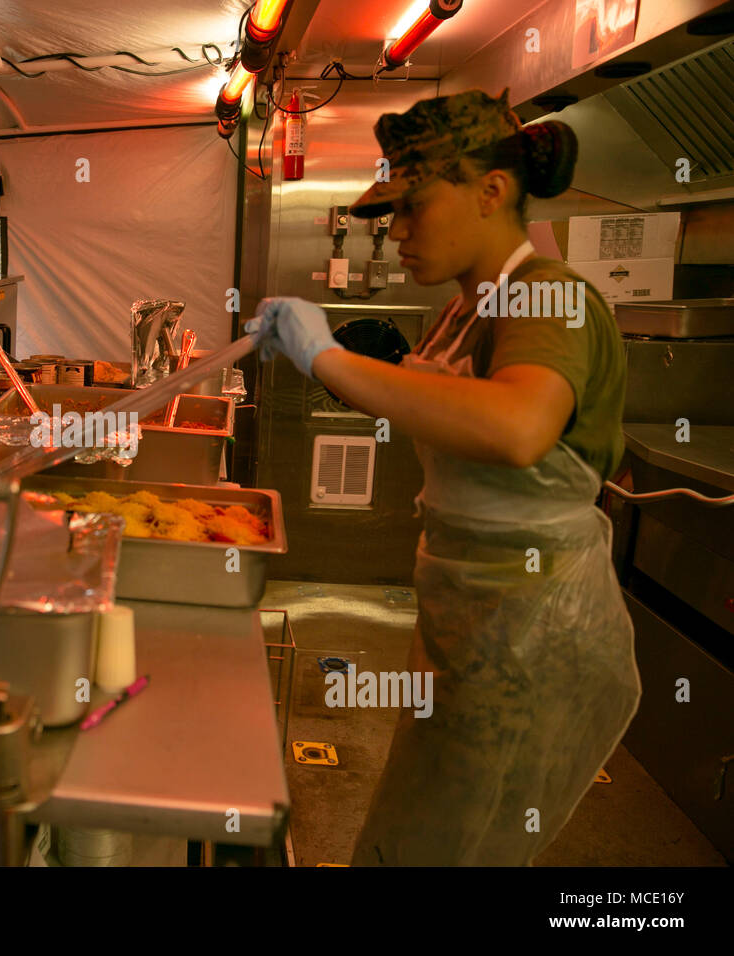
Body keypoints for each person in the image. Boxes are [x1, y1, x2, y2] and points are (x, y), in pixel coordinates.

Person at [247, 89, 641, 865]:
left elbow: (516, 426)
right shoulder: (467, 310)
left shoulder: (551, 295)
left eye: (411, 207)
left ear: (491, 190)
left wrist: (327, 357)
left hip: (530, 634)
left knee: (450, 846)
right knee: (415, 829)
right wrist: (358, 366)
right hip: (467, 620)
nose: (394, 234)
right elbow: (452, 411)